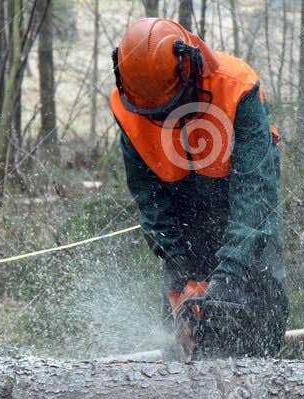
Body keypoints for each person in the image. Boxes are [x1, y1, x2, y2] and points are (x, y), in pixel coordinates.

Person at [110, 17, 287, 356]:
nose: (163, 118)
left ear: (186, 66)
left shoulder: (236, 88)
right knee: (182, 325)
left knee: (262, 305)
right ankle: (180, 392)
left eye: (168, 108)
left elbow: (256, 194)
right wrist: (176, 259)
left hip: (237, 202)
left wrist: (229, 277)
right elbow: (148, 195)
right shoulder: (129, 105)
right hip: (182, 208)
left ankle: (261, 389)